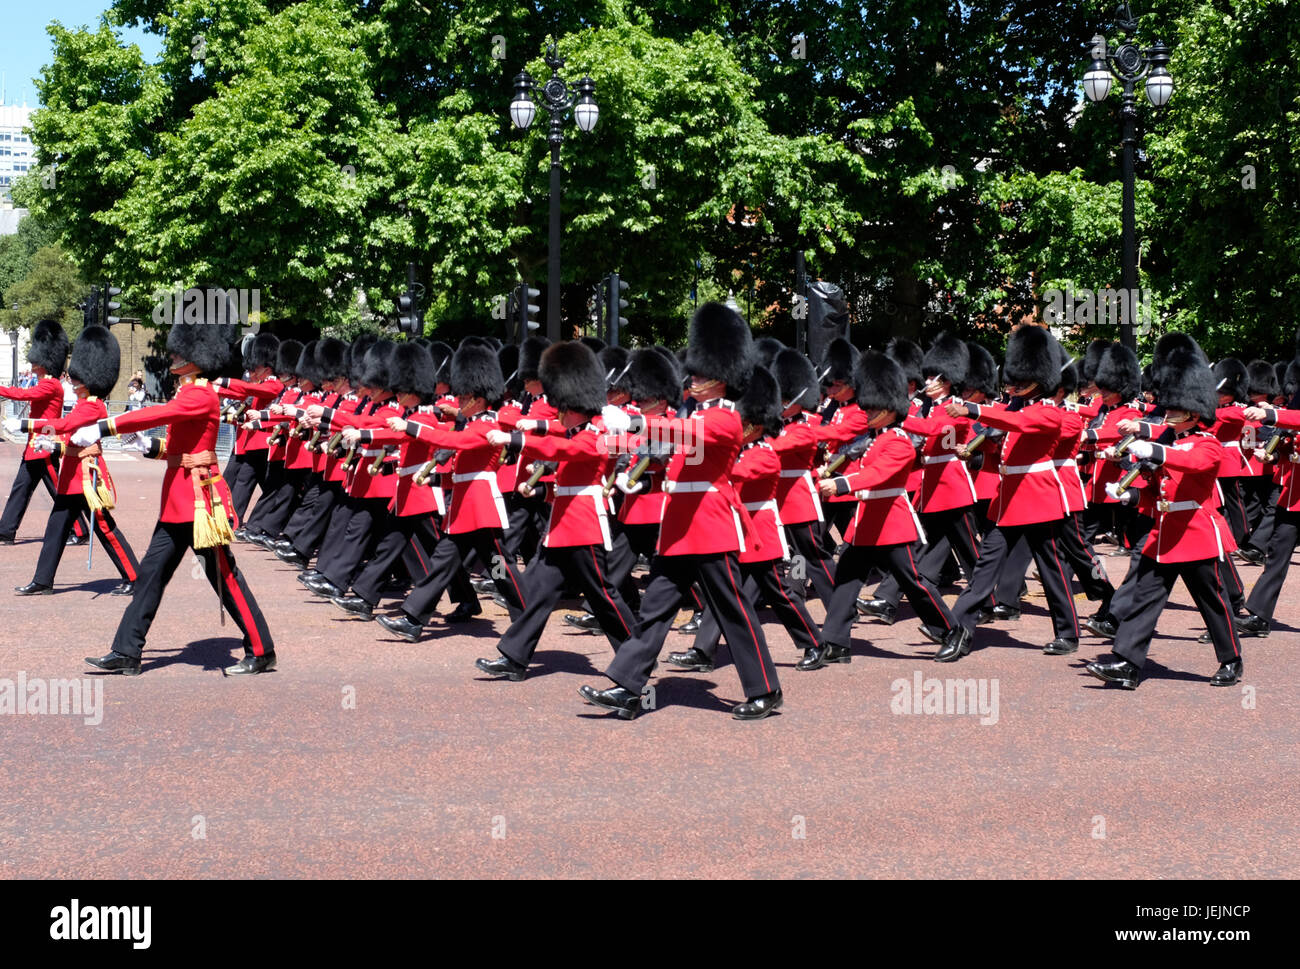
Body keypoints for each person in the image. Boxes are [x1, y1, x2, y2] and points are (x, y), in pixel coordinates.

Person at [577, 302, 783, 721]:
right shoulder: (696, 416)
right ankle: (626, 688)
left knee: (732, 609)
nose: (694, 379)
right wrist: (604, 442)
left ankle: (765, 689)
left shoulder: (726, 419)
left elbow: (681, 433)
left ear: (722, 377)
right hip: (677, 528)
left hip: (710, 525)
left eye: (702, 374)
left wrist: (632, 424)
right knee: (654, 609)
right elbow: (660, 449)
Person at [69, 302, 276, 676]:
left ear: (198, 356)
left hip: (199, 503)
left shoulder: (201, 393)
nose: (174, 355)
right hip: (178, 502)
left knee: (224, 576)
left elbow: (159, 414)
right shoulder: (190, 391)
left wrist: (105, 427)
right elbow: (182, 447)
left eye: (180, 351)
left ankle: (261, 650)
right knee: (150, 576)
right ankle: (127, 651)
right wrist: (153, 447)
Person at [474, 341, 640, 680]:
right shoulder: (578, 428)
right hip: (562, 525)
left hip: (583, 525)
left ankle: (636, 657)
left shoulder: (595, 435)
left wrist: (515, 440)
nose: (557, 409)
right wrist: (532, 441)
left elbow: (560, 447)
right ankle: (514, 658)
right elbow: (557, 437)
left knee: (605, 597)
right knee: (537, 593)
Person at [1086, 344, 1244, 690]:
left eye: (1177, 408)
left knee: (1212, 603)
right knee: (1145, 598)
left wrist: (1154, 447)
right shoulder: (1171, 441)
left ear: (1195, 413)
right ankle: (1127, 662)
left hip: (1198, 534)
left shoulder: (1208, 444)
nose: (1169, 412)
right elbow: (1158, 492)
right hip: (1164, 534)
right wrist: (1130, 495)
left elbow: (1191, 464)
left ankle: (1231, 659)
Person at [5, 326, 140, 596]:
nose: (72, 379)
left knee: (103, 527)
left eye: (76, 377)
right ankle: (43, 580)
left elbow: (65, 424)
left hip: (88, 477)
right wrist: (51, 441)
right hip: (71, 475)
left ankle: (135, 577)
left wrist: (25, 425)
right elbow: (67, 434)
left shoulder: (93, 405)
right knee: (55, 527)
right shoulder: (82, 402)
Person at [0, 320, 90, 545]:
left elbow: (21, 394)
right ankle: (5, 531)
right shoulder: (46, 382)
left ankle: (79, 530)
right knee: (20, 489)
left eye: (35, 360)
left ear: (45, 362)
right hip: (34, 446)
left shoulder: (51, 385)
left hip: (46, 445)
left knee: (61, 491)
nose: (32, 362)